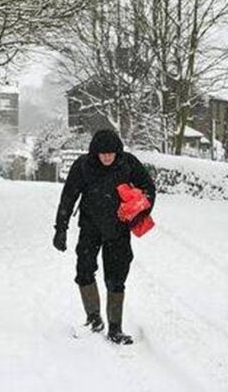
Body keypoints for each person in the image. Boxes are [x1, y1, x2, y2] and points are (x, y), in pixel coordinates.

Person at [52, 129, 156, 345]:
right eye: (103, 153)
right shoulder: (83, 166)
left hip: (118, 230)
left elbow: (148, 188)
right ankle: (93, 318)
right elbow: (69, 196)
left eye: (111, 153)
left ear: (117, 152)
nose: (107, 157)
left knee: (116, 278)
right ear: (95, 152)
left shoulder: (128, 164)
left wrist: (140, 210)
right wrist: (60, 228)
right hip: (90, 228)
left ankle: (115, 328)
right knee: (84, 271)